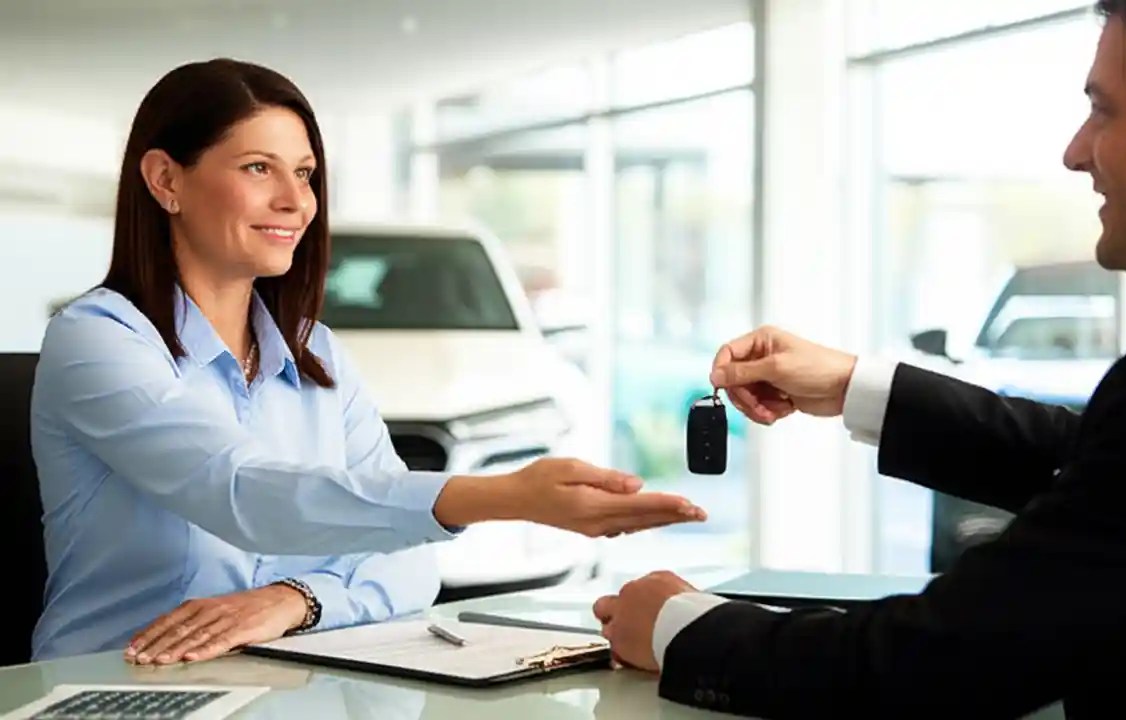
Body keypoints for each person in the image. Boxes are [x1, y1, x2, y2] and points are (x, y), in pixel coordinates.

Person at [594, 1, 1126, 717]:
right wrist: (857, 387)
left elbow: (953, 657)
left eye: (1104, 112)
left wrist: (681, 628)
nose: (1076, 152)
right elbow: (1115, 468)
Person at [30, 58, 706, 665]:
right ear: (165, 179)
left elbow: (412, 566)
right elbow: (239, 491)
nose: (296, 201)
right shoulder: (97, 339)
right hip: (113, 685)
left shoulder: (314, 352)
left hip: (284, 685)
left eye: (304, 174)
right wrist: (506, 496)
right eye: (258, 168)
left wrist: (296, 600)